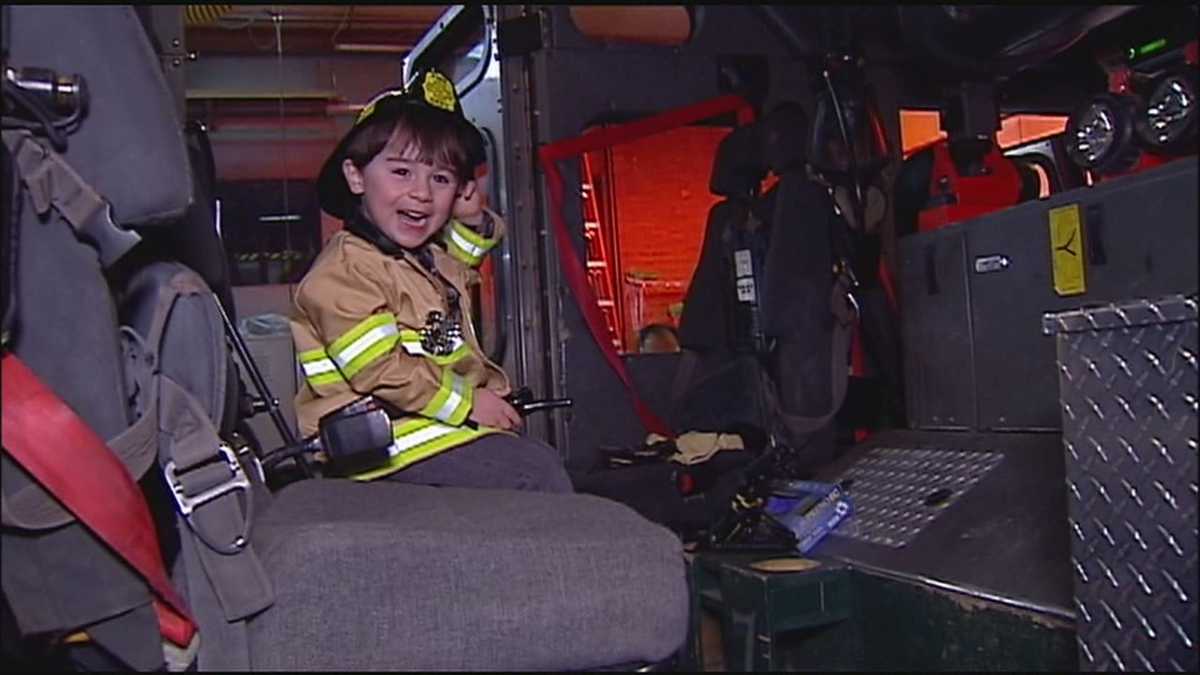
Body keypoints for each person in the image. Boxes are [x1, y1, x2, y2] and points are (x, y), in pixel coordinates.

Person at [289, 69, 572, 492]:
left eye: (440, 179)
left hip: (424, 429)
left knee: (540, 461)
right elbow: (380, 369)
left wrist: (471, 219)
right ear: (356, 176)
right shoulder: (345, 271)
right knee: (534, 474)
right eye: (402, 172)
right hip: (381, 443)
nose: (422, 192)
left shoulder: (410, 258)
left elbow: (455, 268)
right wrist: (468, 402)